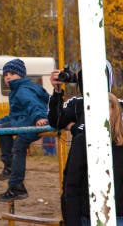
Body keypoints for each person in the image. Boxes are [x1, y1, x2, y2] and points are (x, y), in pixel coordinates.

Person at [48, 62, 119, 224]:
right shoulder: (78, 105)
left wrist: (76, 129)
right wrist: (57, 92)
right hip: (81, 180)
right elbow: (56, 121)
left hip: (113, 182)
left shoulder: (118, 106)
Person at [61, 92, 123, 226]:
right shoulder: (82, 142)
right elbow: (71, 185)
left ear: (115, 112)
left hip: (119, 216)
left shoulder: (120, 144)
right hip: (89, 217)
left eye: (105, 109)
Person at [0, 58, 50, 202]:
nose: (7, 77)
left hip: (34, 121)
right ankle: (8, 165)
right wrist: (0, 123)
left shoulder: (22, 90)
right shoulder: (17, 89)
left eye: (12, 74)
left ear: (21, 75)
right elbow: (16, 114)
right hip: (25, 119)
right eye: (5, 74)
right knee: (2, 128)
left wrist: (39, 117)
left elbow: (32, 104)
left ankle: (16, 186)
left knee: (19, 146)